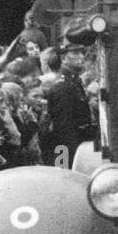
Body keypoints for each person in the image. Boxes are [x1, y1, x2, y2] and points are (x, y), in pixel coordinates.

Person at [40, 32, 96, 168]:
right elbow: (63, 128)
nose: (81, 57)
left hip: (77, 145)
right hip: (65, 151)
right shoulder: (62, 86)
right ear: (64, 58)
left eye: (82, 53)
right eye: (75, 54)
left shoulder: (73, 81)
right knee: (64, 181)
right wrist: (77, 154)